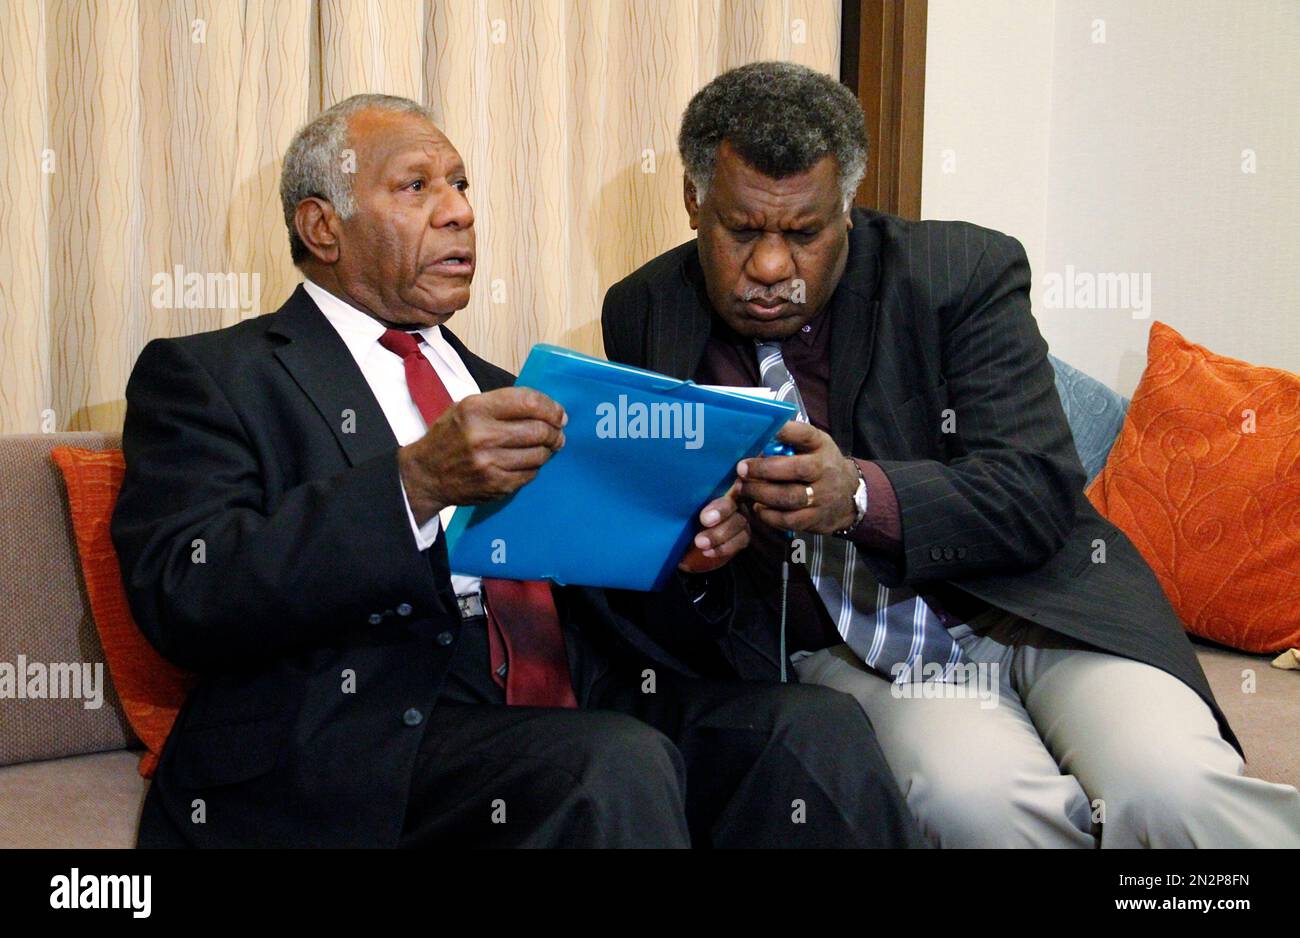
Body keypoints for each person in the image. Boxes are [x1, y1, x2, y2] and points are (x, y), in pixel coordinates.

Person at [110, 93, 923, 849]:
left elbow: (606, 601)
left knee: (813, 729)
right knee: (607, 763)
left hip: (578, 696)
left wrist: (690, 557)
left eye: (461, 183)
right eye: (417, 186)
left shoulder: (514, 390)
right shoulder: (214, 376)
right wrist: (414, 485)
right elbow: (189, 591)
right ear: (324, 227)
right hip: (364, 730)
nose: (459, 209)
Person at [601, 61, 1300, 848]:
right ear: (693, 199)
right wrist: (699, 551)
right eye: (740, 232)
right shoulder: (644, 310)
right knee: (979, 807)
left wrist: (860, 495)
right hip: (857, 644)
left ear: (848, 209)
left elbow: (1034, 490)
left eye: (803, 234)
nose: (770, 269)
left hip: (1041, 607)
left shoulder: (958, 273)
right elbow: (664, 525)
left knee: (1172, 790)